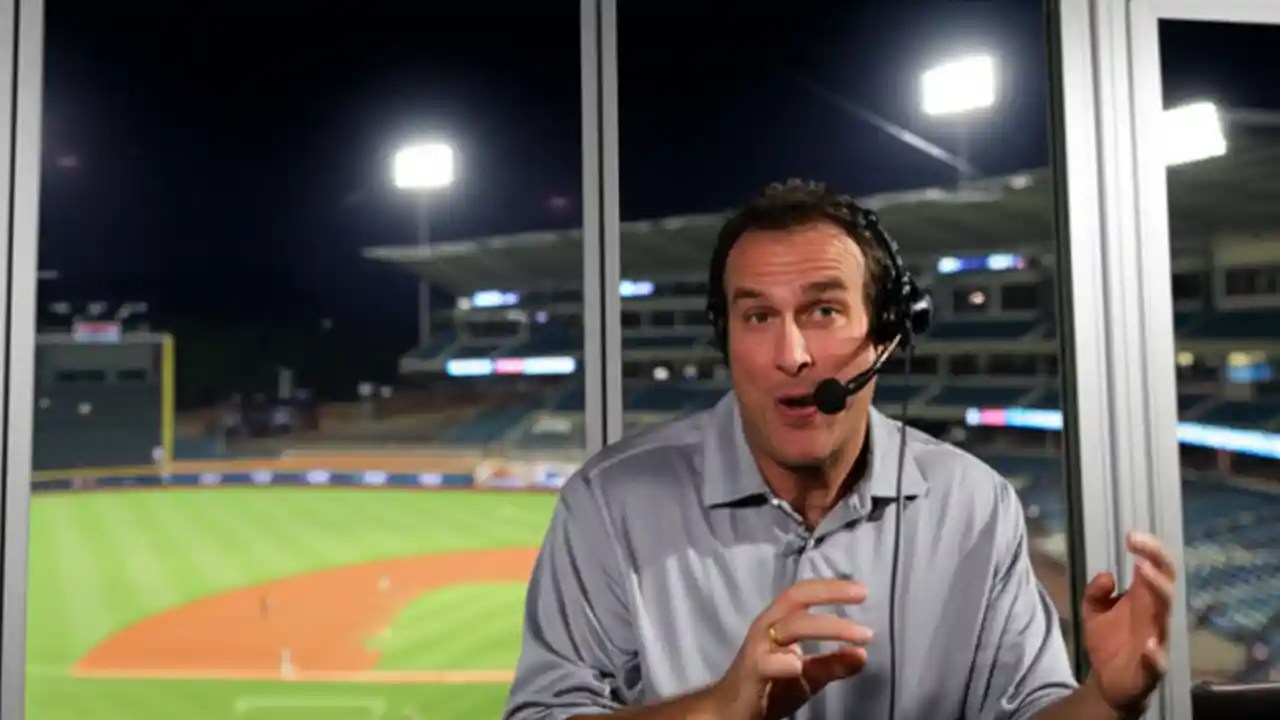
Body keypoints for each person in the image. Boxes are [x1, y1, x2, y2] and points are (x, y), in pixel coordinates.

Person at [503, 179, 1176, 720]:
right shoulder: (610, 503)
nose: (790, 356)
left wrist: (1107, 700)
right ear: (726, 340)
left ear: (887, 333)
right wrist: (715, 710)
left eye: (823, 311)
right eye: (758, 316)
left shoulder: (974, 505)